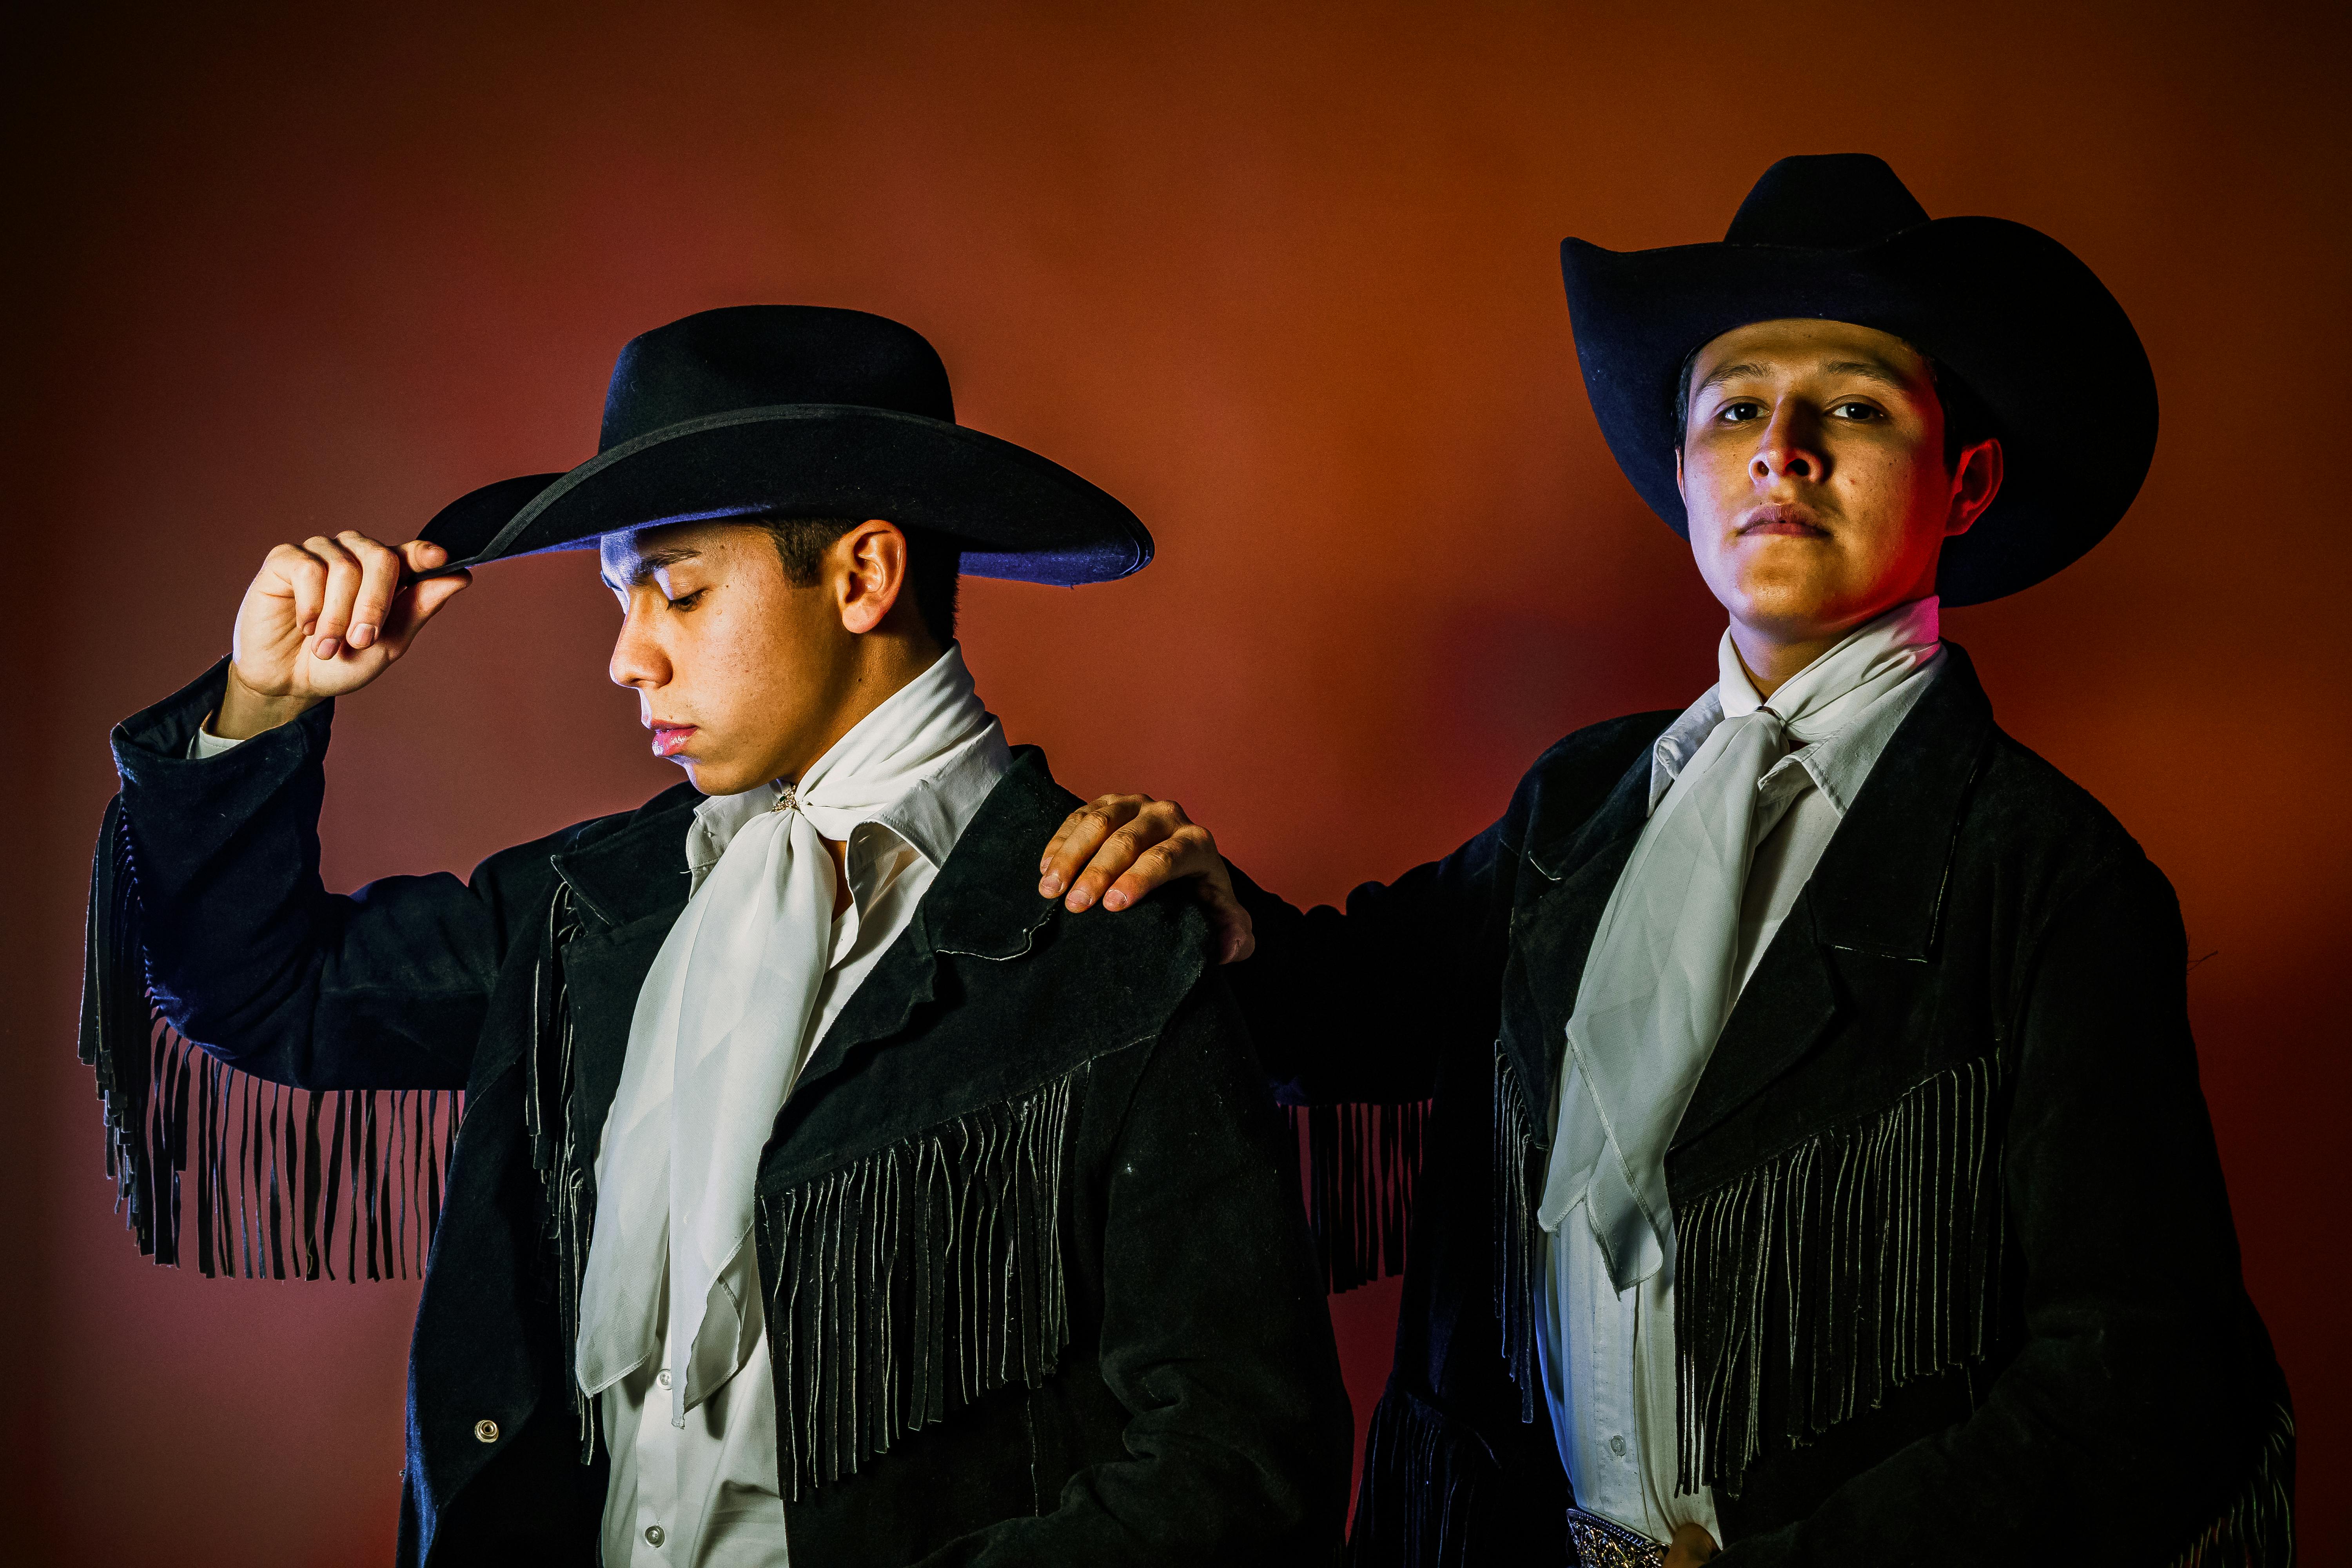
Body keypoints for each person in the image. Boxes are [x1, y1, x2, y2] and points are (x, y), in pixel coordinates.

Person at [1035, 156, 2292, 1566]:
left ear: (1967, 481)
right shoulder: (1580, 802)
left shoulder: (2053, 876)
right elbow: (1354, 1009)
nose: (1782, 449)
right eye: (1737, 408)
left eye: (1855, 407)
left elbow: (2140, 1379)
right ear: (1686, 471)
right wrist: (1209, 908)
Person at [81, 305, 1351, 1566]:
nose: (628, 659)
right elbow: (267, 991)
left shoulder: (1107, 933)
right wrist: (263, 701)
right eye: (620, 598)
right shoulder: (594, 906)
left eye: (678, 593)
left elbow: (1236, 1467)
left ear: (863, 577)